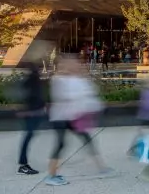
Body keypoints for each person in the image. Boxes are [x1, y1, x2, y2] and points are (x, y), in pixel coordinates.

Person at [46, 56, 112, 186]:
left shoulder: (75, 79)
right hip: (60, 117)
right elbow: (66, 96)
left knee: (87, 139)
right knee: (61, 145)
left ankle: (102, 168)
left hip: (73, 117)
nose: (78, 67)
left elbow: (87, 94)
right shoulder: (58, 80)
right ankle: (51, 176)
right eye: (74, 65)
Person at [17, 61, 47, 175]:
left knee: (29, 136)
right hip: (32, 114)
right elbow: (32, 97)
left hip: (35, 113)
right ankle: (23, 165)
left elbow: (37, 96)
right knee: (28, 136)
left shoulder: (34, 80)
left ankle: (23, 164)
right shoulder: (33, 80)